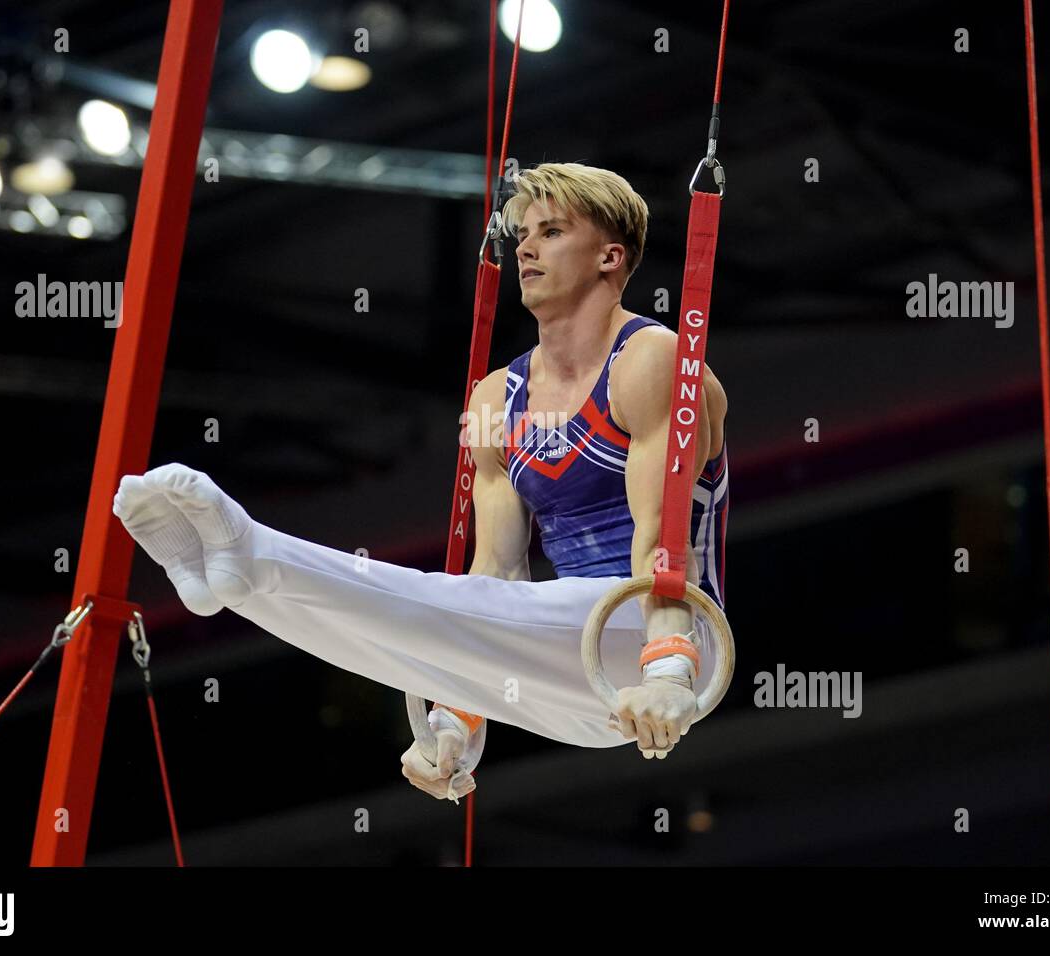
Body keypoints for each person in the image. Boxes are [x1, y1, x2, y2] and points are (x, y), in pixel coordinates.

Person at [113, 162, 728, 805]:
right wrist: (453, 725)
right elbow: (494, 580)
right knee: (395, 636)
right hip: (573, 685)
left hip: (669, 641)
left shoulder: (652, 360)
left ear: (609, 256)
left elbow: (661, 538)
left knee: (427, 608)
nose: (524, 246)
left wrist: (669, 672)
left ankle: (255, 554)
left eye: (550, 231)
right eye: (521, 233)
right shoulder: (496, 399)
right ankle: (244, 584)